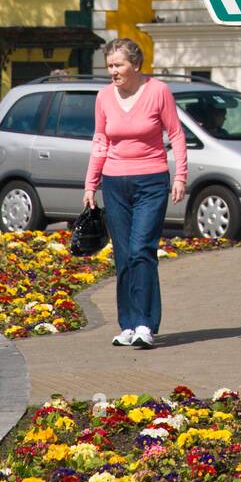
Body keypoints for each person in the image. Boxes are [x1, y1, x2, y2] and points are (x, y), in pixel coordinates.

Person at [83, 38, 187, 349]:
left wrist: (180, 176)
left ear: (136, 65)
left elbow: (176, 134)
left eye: (118, 65)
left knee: (142, 249)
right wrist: (91, 184)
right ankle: (127, 325)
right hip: (115, 183)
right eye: (109, 66)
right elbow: (100, 140)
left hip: (151, 181)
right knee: (124, 254)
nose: (112, 71)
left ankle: (145, 324)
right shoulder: (104, 97)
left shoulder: (158, 91)